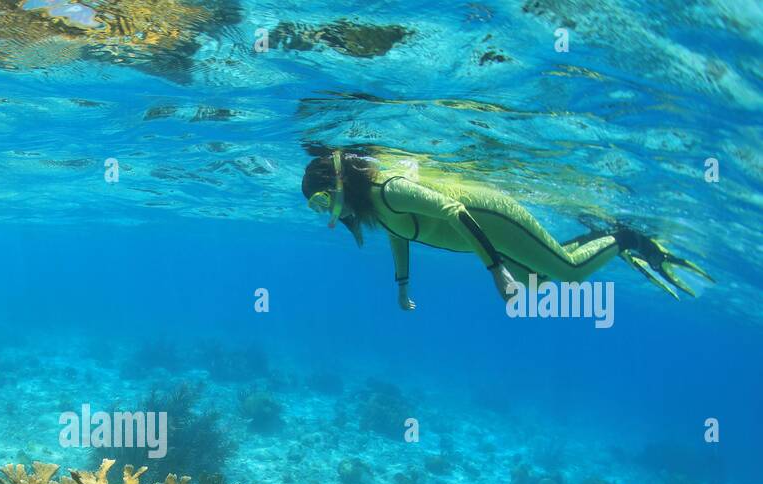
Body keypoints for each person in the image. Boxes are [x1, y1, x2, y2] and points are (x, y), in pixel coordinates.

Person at [301, 146, 712, 310]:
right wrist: (403, 288)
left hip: (495, 218)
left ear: (338, 184)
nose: (328, 214)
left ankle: (623, 238)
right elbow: (400, 236)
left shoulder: (388, 190)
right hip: (489, 230)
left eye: (323, 201)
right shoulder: (377, 207)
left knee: (569, 272)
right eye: (318, 209)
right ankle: (595, 238)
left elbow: (454, 211)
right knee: (534, 286)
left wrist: (496, 271)